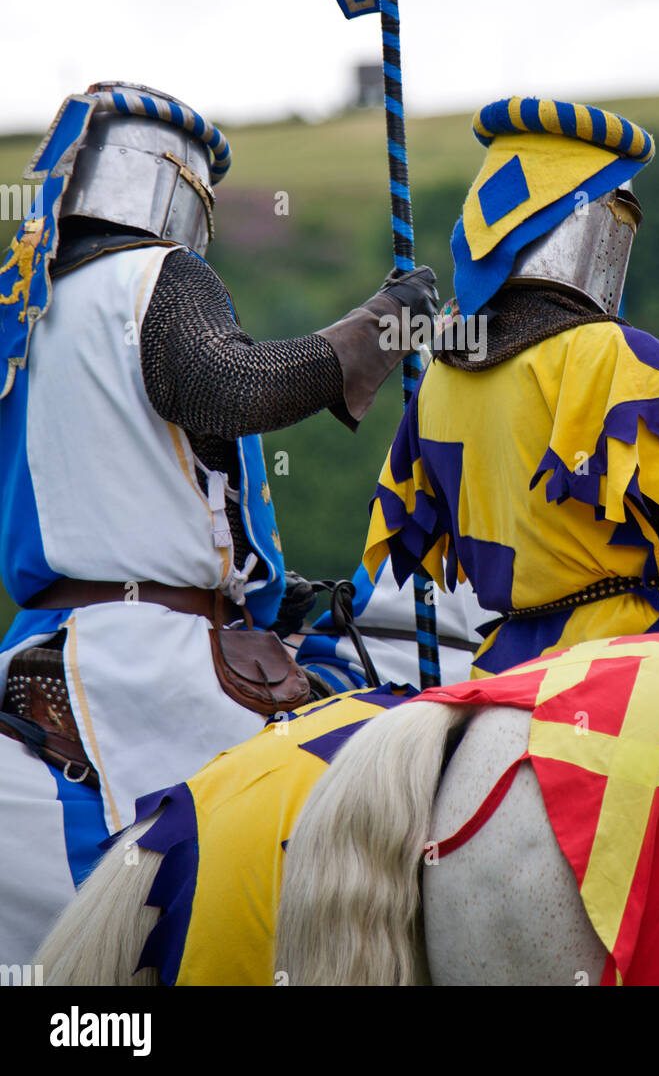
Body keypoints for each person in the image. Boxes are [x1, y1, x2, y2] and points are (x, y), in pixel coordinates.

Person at [0, 80, 436, 962]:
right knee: (370, 787)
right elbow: (230, 386)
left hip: (49, 631)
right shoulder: (156, 277)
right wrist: (377, 329)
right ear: (175, 184)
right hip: (149, 657)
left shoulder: (25, 308)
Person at [363, 96, 659, 676]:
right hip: (641, 658)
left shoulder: (438, 378)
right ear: (572, 219)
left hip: (505, 666)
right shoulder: (605, 356)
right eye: (618, 216)